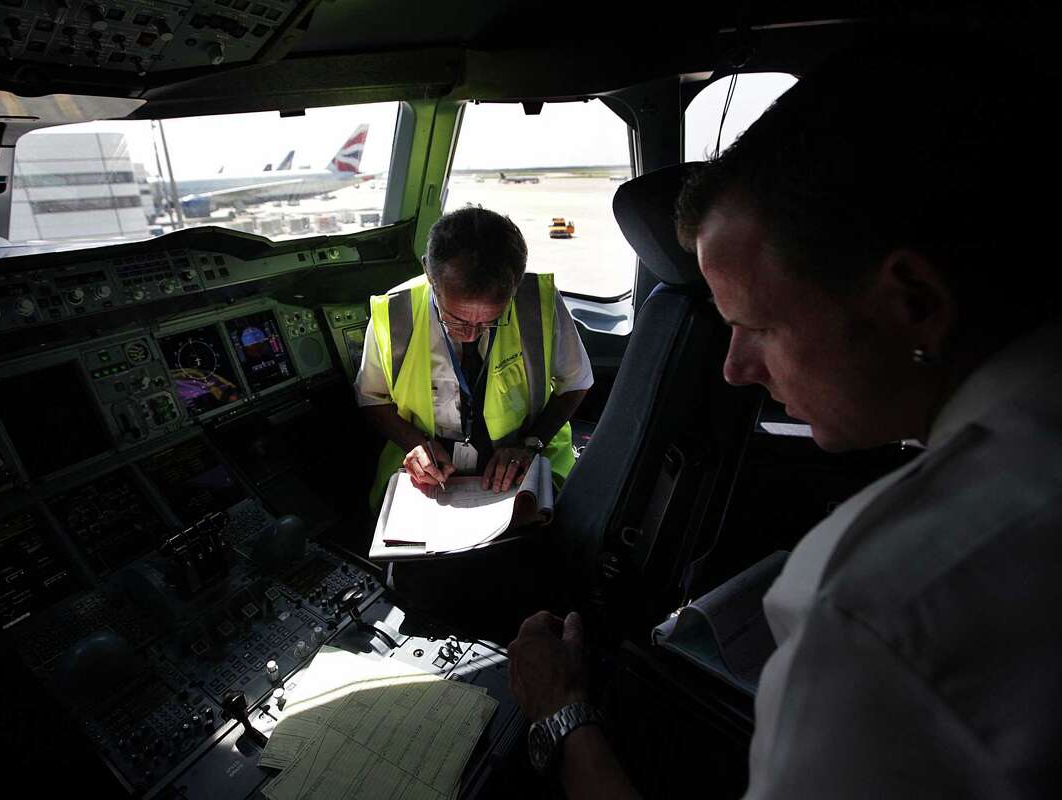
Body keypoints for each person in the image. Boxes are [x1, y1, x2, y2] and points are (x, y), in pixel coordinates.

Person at [508, 37, 1062, 798]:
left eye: (759, 327)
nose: (735, 369)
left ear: (915, 306)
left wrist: (560, 714)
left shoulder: (872, 610)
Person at [355, 206, 593, 510]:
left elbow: (576, 383)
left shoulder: (537, 302)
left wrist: (531, 445)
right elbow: (372, 398)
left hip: (526, 453)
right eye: (454, 319)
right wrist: (414, 443)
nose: (469, 335)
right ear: (430, 273)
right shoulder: (394, 312)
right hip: (427, 466)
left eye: (489, 321)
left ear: (515, 286)